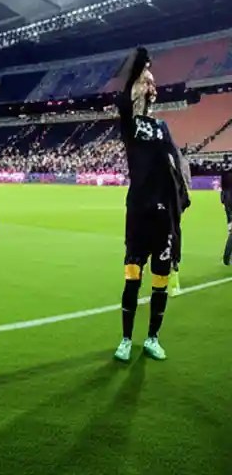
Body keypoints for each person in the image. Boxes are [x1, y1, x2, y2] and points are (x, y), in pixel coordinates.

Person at [113, 47, 190, 362]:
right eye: (147, 81)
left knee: (160, 279)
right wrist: (141, 65)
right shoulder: (130, 123)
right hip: (139, 214)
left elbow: (177, 164)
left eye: (153, 83)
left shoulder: (162, 128)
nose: (151, 86)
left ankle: (152, 338)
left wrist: (179, 203)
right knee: (132, 277)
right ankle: (126, 340)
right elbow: (128, 89)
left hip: (163, 218)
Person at [221, 167, 231, 266]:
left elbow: (223, 188)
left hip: (227, 203)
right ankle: (227, 257)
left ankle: (227, 257)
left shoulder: (226, 172)